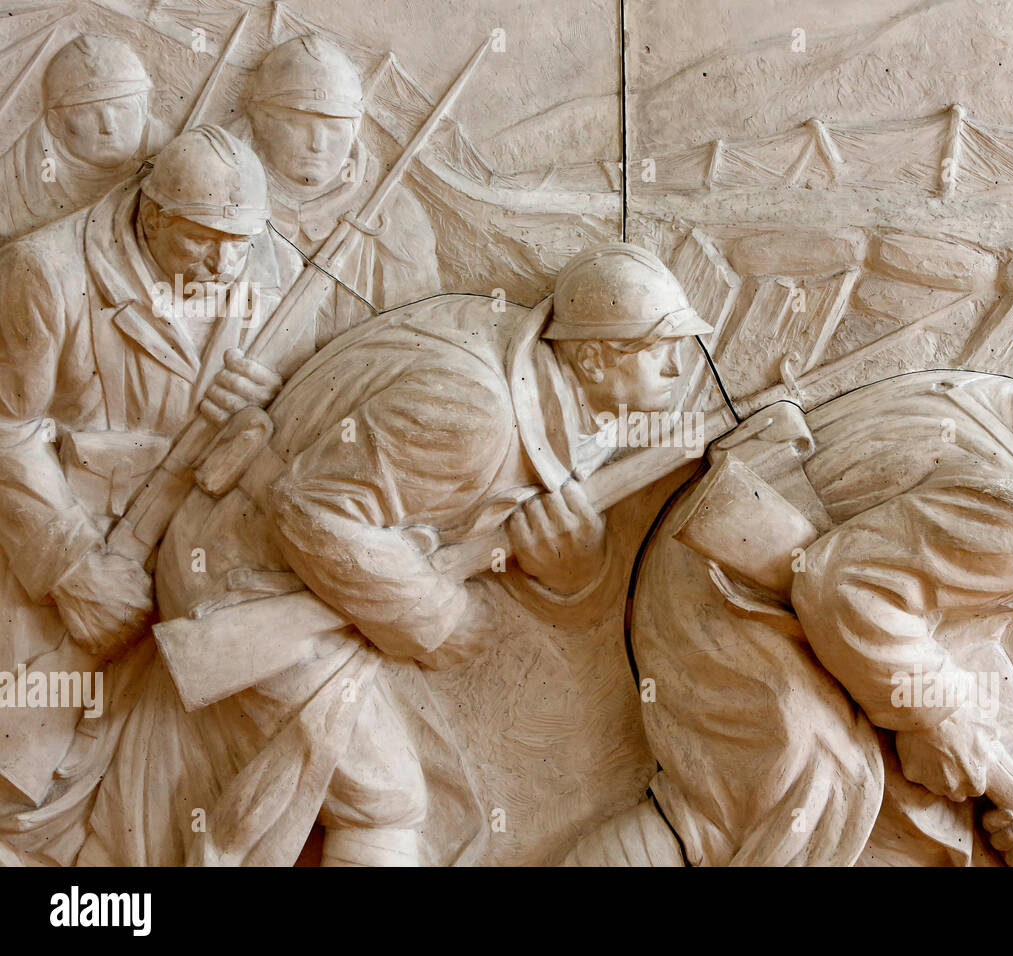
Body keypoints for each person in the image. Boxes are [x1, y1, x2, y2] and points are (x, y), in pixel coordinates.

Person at [80, 242, 712, 866]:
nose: (679, 371)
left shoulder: (552, 377)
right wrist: (439, 616)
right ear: (596, 358)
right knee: (386, 803)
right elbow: (313, 512)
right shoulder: (476, 409)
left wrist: (571, 569)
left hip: (324, 580)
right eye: (660, 350)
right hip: (247, 573)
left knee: (445, 788)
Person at [573, 369, 1013, 866]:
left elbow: (958, 634)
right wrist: (934, 716)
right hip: (727, 579)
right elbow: (842, 588)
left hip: (800, 589)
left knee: (908, 816)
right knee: (803, 787)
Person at [0, 125, 283, 856]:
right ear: (152, 215)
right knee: (26, 787)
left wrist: (268, 402)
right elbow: (6, 428)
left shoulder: (269, 268)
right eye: (202, 239)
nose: (225, 263)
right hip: (56, 549)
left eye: (240, 241)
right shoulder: (46, 272)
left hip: (188, 549)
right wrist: (72, 567)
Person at [235, 34, 441, 364]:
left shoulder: (391, 211)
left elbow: (415, 339)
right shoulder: (215, 184)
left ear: (355, 126)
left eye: (334, 128)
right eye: (297, 123)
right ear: (259, 118)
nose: (317, 144)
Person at [0, 34, 165, 240]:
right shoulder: (12, 187)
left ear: (144, 110)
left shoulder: (173, 166)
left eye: (122, 108)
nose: (108, 126)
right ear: (55, 123)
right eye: (88, 112)